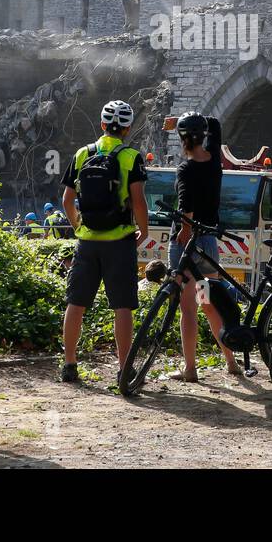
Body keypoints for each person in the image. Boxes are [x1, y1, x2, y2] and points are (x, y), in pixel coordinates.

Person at [58, 99, 148, 383]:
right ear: (127, 128)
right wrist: (143, 232)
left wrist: (79, 226)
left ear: (102, 125)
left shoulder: (83, 153)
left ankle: (69, 365)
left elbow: (67, 200)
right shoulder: (131, 156)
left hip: (87, 242)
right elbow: (138, 200)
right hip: (120, 241)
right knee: (122, 306)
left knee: (76, 303)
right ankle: (123, 369)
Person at [163, 111, 240, 380]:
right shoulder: (213, 163)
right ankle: (231, 362)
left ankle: (191, 368)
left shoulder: (187, 169)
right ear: (204, 136)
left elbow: (186, 206)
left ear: (183, 140)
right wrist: (189, 122)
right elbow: (216, 124)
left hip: (188, 245)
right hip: (207, 245)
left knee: (188, 310)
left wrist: (183, 231)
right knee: (208, 303)